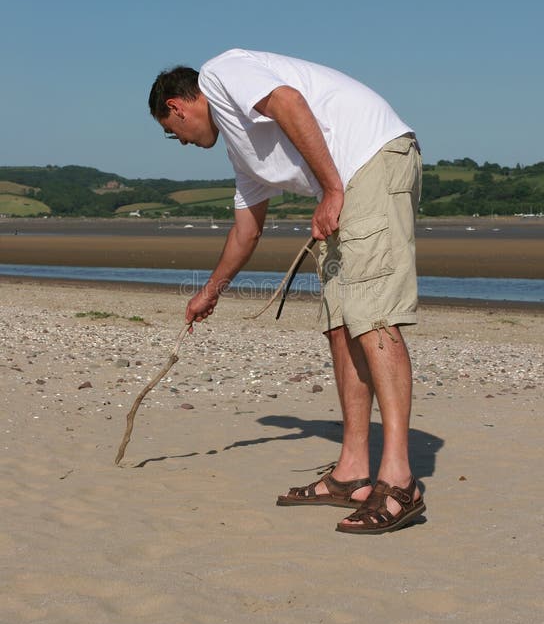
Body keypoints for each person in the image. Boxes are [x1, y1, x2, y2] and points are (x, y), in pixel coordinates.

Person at [148, 49, 425, 534]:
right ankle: (352, 472)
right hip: (345, 181)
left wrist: (332, 190)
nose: (183, 142)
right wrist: (210, 292)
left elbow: (289, 101)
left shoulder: (220, 73)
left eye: (174, 134)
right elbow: (246, 232)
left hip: (370, 162)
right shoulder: (241, 150)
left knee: (375, 318)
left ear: (177, 107)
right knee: (342, 326)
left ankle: (400, 481)